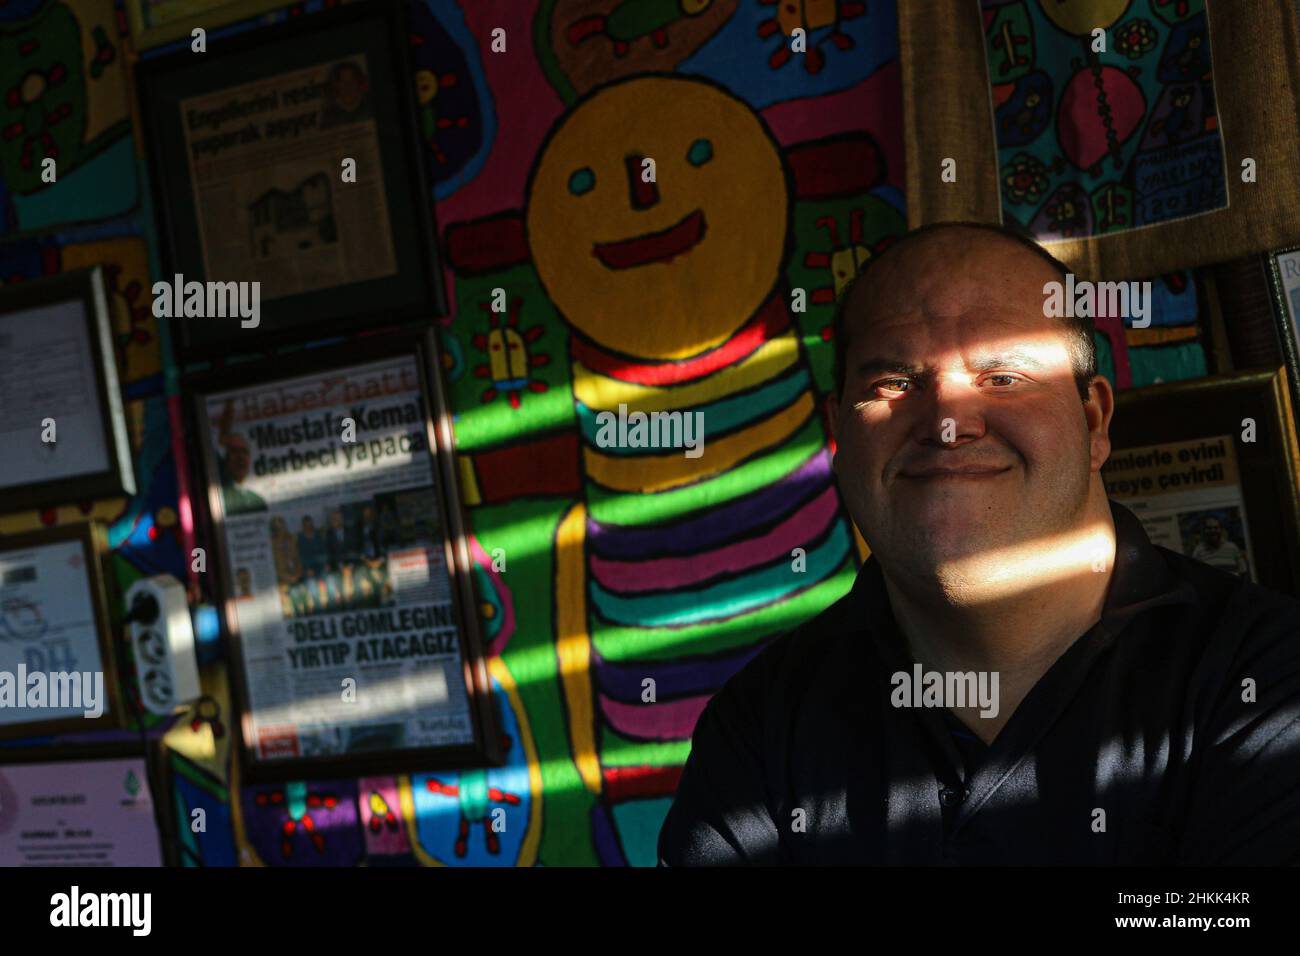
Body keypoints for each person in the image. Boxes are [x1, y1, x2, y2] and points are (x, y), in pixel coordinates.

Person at [657, 221, 1300, 865]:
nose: (946, 422)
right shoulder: (760, 726)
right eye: (894, 383)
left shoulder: (1266, 682)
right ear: (838, 437)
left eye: (1005, 375)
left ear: (1094, 420)